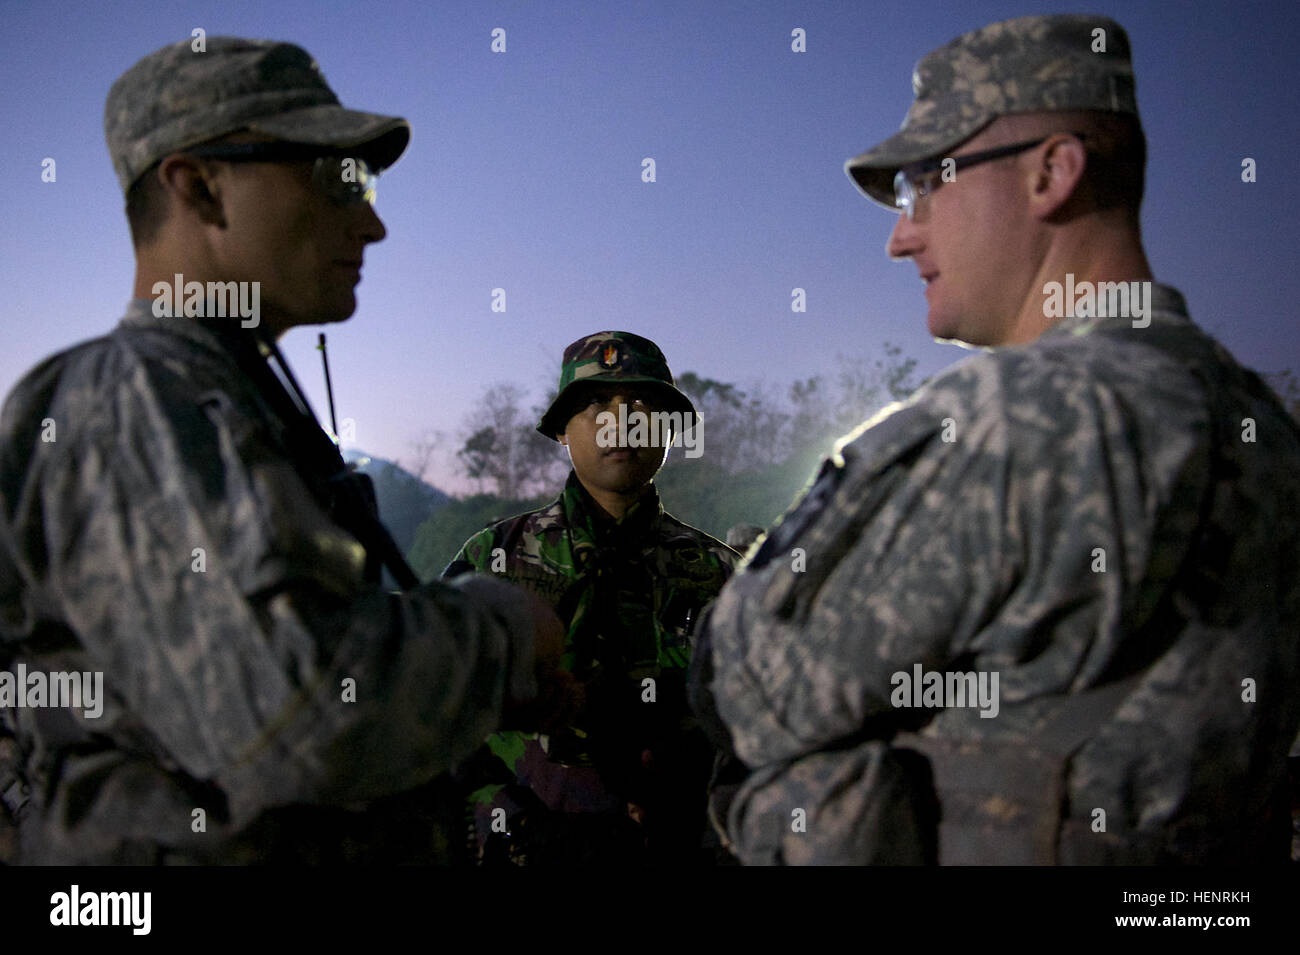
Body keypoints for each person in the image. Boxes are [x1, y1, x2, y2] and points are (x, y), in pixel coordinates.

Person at [689, 14, 1300, 865]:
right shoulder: (1263, 427)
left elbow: (748, 686)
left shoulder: (1026, 412)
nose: (903, 235)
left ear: (1053, 172)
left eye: (925, 187)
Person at [0, 36, 575, 864]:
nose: (372, 221)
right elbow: (295, 712)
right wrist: (506, 630)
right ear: (198, 186)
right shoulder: (138, 399)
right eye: (337, 179)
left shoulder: (229, 397)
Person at [444, 331, 738, 864]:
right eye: (596, 403)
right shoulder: (495, 559)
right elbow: (437, 716)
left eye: (642, 404)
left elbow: (761, 723)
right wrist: (510, 823)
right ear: (561, 430)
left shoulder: (722, 575)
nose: (620, 421)